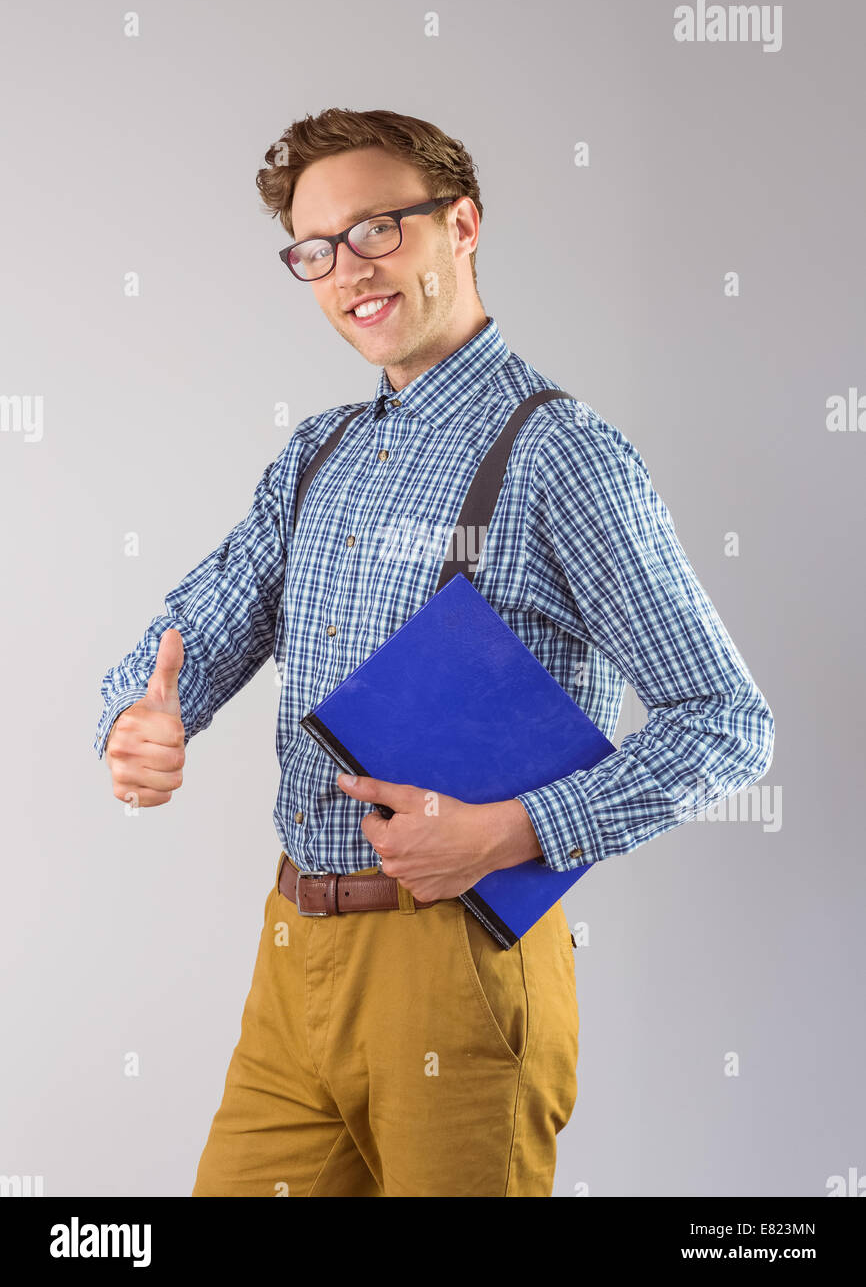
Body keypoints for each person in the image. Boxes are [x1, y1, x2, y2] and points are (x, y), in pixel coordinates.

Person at [94, 107, 774, 1197]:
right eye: (313, 251)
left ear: (460, 224)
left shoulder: (563, 454)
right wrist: (139, 716)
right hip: (294, 956)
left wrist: (513, 830)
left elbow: (727, 720)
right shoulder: (319, 450)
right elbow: (195, 628)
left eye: (376, 231)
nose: (344, 272)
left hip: (455, 965)